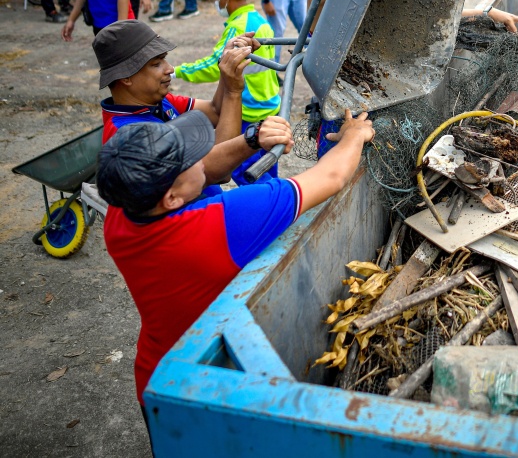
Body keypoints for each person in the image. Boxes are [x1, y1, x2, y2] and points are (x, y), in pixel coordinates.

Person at [96, 106, 372, 431]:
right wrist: (354, 135)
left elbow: (204, 172)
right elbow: (332, 176)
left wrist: (252, 139)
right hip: (213, 385)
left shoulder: (121, 212)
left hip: (157, 380)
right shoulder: (222, 224)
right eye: (191, 158)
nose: (204, 157)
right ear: (171, 197)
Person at [94, 19, 292, 191]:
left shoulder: (158, 102)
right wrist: (233, 92)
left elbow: (215, 111)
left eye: (164, 60)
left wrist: (226, 62)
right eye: (156, 64)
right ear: (126, 77)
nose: (170, 69)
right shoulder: (130, 135)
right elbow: (218, 173)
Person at [174, 0, 281, 183]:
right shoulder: (258, 19)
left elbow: (217, 65)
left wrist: (178, 71)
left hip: (248, 110)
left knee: (246, 173)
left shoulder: (237, 27)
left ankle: (264, 212)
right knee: (267, 167)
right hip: (268, 104)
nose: (215, 1)